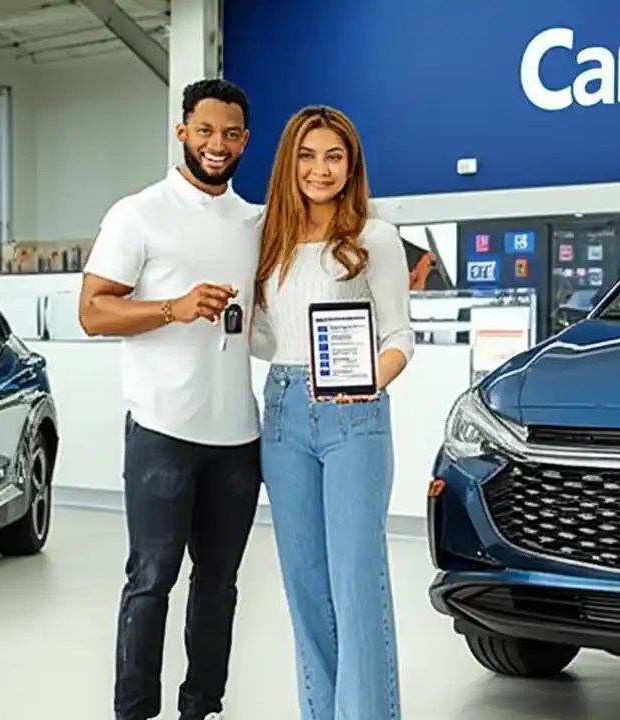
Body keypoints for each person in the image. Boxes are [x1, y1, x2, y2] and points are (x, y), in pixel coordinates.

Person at [78, 78, 262, 720]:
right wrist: (174, 308)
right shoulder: (139, 213)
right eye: (205, 130)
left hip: (238, 437)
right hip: (162, 430)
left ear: (245, 140)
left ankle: (201, 706)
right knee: (151, 580)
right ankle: (134, 711)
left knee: (220, 585)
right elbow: (93, 312)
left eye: (231, 133)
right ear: (182, 131)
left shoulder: (256, 223)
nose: (218, 145)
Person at [250, 105, 413, 719]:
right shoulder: (269, 238)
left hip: (355, 415)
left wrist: (368, 379)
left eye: (334, 156)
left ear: (352, 165)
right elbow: (270, 339)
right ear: (289, 162)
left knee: (356, 583)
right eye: (308, 156)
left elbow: (401, 336)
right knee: (306, 587)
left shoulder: (375, 237)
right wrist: (236, 328)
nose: (320, 170)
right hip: (285, 411)